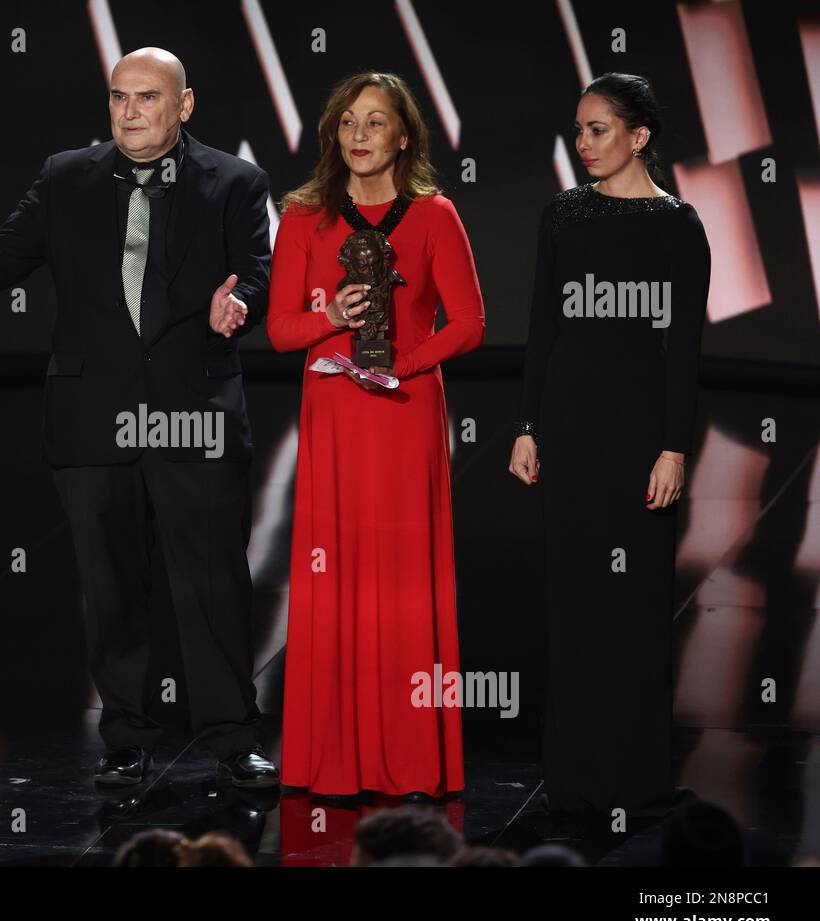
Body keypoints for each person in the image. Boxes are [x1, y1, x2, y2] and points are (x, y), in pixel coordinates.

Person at [0, 48, 277, 788]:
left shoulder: (234, 182)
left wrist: (241, 300)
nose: (129, 112)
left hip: (195, 414)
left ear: (184, 106)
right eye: (119, 97)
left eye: (147, 98)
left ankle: (229, 736)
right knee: (110, 586)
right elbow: (2, 257)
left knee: (211, 582)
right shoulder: (66, 177)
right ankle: (127, 739)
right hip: (94, 416)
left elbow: (260, 268)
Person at [267, 72, 483, 797]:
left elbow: (470, 322)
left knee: (402, 579)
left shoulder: (435, 215)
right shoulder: (303, 217)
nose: (359, 135)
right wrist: (334, 318)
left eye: (375, 122)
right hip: (333, 415)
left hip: (404, 413)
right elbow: (280, 330)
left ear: (403, 136)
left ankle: (412, 761)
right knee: (335, 575)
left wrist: (402, 366)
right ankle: (334, 759)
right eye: (347, 122)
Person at [509, 73, 711, 816]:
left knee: (633, 603)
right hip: (567, 431)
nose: (584, 142)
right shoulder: (563, 215)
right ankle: (575, 774)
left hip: (637, 439)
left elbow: (682, 346)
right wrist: (527, 425)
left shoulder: (676, 225)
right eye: (579, 129)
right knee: (573, 605)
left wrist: (673, 447)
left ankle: (637, 777)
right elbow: (544, 325)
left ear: (639, 136)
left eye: (598, 129)